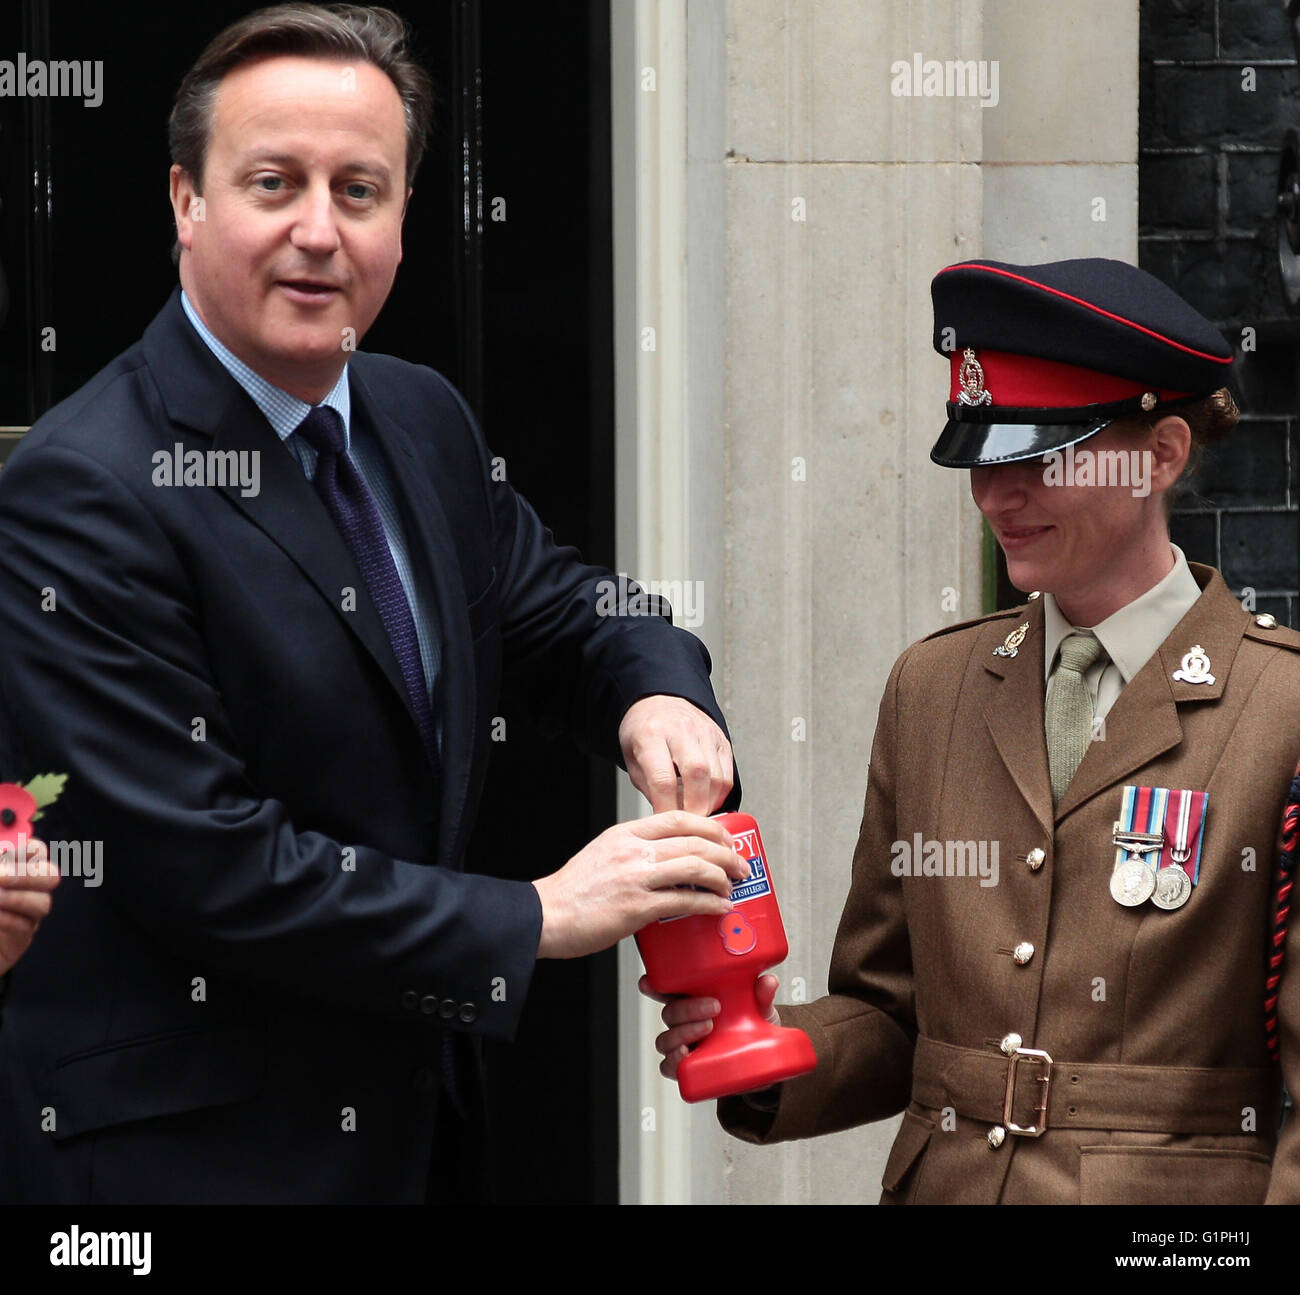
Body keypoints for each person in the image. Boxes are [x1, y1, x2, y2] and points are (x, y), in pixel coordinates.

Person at [0, 3, 746, 1205]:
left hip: (418, 1135)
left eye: (360, 190)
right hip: (187, 1161)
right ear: (186, 202)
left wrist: (656, 684)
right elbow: (208, 863)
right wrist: (534, 915)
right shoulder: (81, 489)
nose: (316, 232)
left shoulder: (416, 416)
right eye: (272, 183)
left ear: (404, 221)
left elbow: (559, 603)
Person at [648, 256, 1300, 1204]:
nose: (999, 496)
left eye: (1041, 457)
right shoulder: (934, 685)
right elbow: (890, 1011)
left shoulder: (1280, 708)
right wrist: (764, 1044)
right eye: (984, 459)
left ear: (1161, 453)